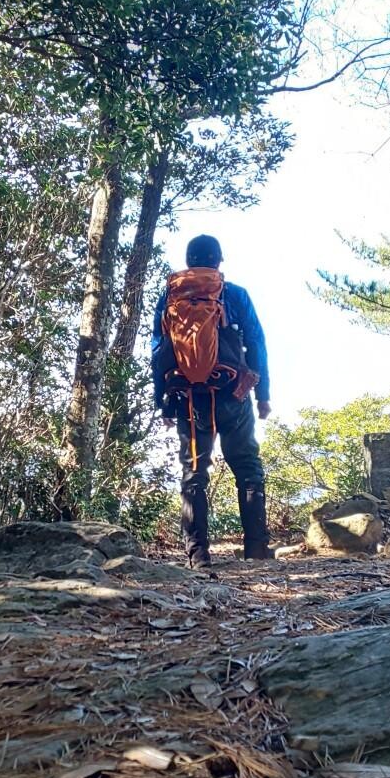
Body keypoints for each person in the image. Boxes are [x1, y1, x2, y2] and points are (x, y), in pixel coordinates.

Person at [150, 234, 272, 565]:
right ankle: (257, 550)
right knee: (247, 467)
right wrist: (263, 396)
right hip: (232, 394)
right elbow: (257, 344)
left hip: (191, 400)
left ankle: (198, 555)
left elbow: (158, 349)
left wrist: (161, 399)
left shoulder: (171, 296)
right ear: (219, 261)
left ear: (189, 262)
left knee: (194, 472)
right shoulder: (235, 294)